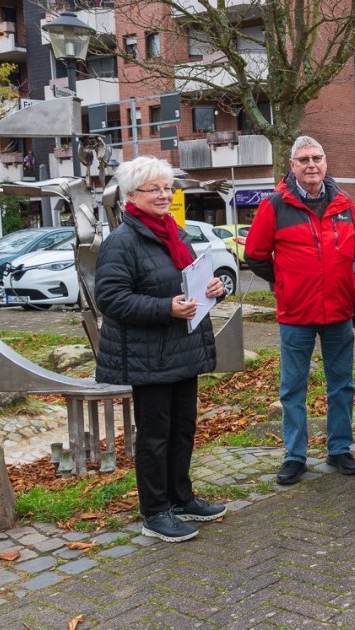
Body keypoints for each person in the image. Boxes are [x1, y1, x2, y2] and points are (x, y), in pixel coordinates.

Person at [95, 156, 227, 543]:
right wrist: (165, 307)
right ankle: (155, 513)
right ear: (132, 195)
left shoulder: (174, 233)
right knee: (155, 437)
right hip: (148, 355)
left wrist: (213, 290)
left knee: (182, 430)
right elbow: (112, 299)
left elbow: (188, 280)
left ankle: (181, 498)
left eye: (167, 187)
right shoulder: (122, 242)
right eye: (154, 189)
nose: (164, 195)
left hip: (182, 349)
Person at [245, 136, 355, 485]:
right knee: (293, 389)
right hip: (296, 315)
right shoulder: (276, 205)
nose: (312, 165)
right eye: (304, 160)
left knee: (342, 386)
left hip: (339, 312)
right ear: (292, 166)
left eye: (317, 158)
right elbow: (255, 255)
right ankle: (295, 456)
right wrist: (284, 282)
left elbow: (353, 248)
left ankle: (339, 448)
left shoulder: (344, 204)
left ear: (326, 162)